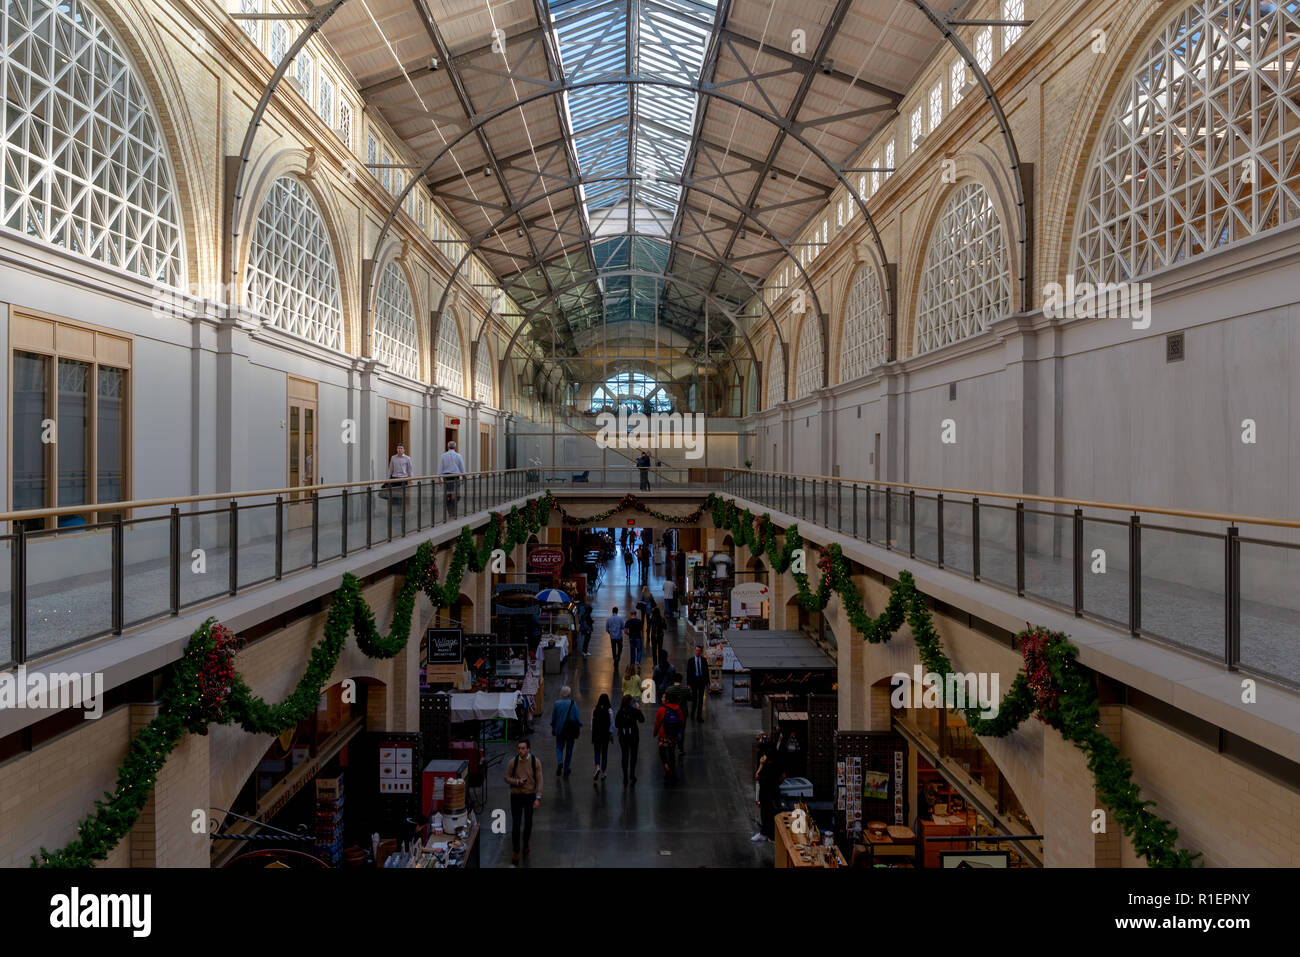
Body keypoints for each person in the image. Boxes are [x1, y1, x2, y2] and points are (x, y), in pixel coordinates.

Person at [504, 737, 543, 864]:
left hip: (529, 795)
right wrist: (516, 782)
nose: (520, 751)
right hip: (516, 795)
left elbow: (540, 780)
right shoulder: (513, 762)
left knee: (528, 822)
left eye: (523, 748)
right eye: (519, 748)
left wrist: (538, 797)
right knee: (516, 823)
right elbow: (506, 778)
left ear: (528, 749)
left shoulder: (535, 762)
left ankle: (526, 843)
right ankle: (516, 851)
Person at [754, 739, 785, 842]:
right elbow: (783, 776)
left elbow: (757, 776)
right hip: (774, 791)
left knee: (766, 813)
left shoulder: (765, 763)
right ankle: (770, 835)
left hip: (765, 791)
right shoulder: (778, 760)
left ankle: (766, 834)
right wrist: (776, 784)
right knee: (772, 813)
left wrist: (761, 764)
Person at [550, 686, 582, 777]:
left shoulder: (557, 704)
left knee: (559, 747)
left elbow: (554, 718)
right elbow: (578, 718)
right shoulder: (573, 704)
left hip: (559, 729)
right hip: (570, 730)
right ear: (569, 694)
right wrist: (579, 730)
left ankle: (560, 762)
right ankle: (566, 768)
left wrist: (553, 728)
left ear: (561, 694)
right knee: (569, 749)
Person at [614, 694, 644, 786]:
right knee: (633, 756)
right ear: (630, 702)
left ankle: (625, 777)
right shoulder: (634, 711)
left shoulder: (620, 712)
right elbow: (642, 720)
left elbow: (616, 725)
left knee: (624, 755)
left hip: (623, 737)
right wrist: (639, 709)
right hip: (634, 736)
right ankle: (632, 775)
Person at [654, 695, 684, 778]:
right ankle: (672, 769)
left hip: (663, 734)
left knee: (662, 751)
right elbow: (681, 720)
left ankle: (665, 765)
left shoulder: (661, 709)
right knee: (671, 752)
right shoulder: (677, 708)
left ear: (667, 700)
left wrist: (655, 732)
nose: (661, 698)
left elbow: (657, 723)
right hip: (673, 735)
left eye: (663, 697)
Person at [663, 674, 691, 755]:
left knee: (671, 730)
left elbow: (666, 700)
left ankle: (671, 746)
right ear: (681, 680)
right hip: (682, 713)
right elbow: (690, 698)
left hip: (671, 713)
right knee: (681, 731)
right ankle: (680, 748)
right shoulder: (685, 689)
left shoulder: (669, 689)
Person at [439, 440, 466, 518]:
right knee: (455, 494)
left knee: (448, 494)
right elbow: (462, 466)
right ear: (455, 447)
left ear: (448, 446)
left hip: (446, 477)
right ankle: (453, 510)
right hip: (455, 477)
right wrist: (464, 475)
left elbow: (441, 466)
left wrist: (439, 477)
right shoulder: (458, 455)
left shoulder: (443, 455)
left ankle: (450, 511)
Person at [590, 693, 614, 781]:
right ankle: (603, 772)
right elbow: (611, 724)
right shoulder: (609, 711)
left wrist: (593, 733)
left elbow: (592, 723)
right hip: (605, 734)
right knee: (604, 753)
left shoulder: (595, 709)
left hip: (596, 734)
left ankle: (597, 766)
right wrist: (611, 735)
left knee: (596, 752)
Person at [685, 643, 709, 720]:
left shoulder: (704, 660)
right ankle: (692, 714)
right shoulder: (691, 660)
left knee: (701, 699)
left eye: (699, 651)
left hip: (701, 681)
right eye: (696, 650)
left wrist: (707, 682)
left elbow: (706, 671)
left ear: (701, 652)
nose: (697, 652)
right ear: (694, 651)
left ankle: (699, 716)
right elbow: (688, 672)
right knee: (694, 699)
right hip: (694, 682)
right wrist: (688, 684)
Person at [387, 443, 413, 507]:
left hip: (404, 479)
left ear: (404, 450)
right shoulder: (393, 458)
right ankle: (395, 510)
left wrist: (411, 479)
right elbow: (390, 469)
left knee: (402, 495)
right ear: (396, 449)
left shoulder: (407, 458)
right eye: (398, 448)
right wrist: (388, 479)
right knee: (394, 495)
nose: (399, 450)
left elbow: (410, 469)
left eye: (401, 448)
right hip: (395, 478)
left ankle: (402, 510)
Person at [605, 606, 625, 674]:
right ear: (617, 611)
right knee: (620, 647)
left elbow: (607, 629)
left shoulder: (609, 619)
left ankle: (614, 658)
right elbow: (623, 627)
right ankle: (618, 656)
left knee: (613, 648)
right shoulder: (620, 618)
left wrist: (610, 633)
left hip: (612, 637)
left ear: (612, 611)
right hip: (619, 636)